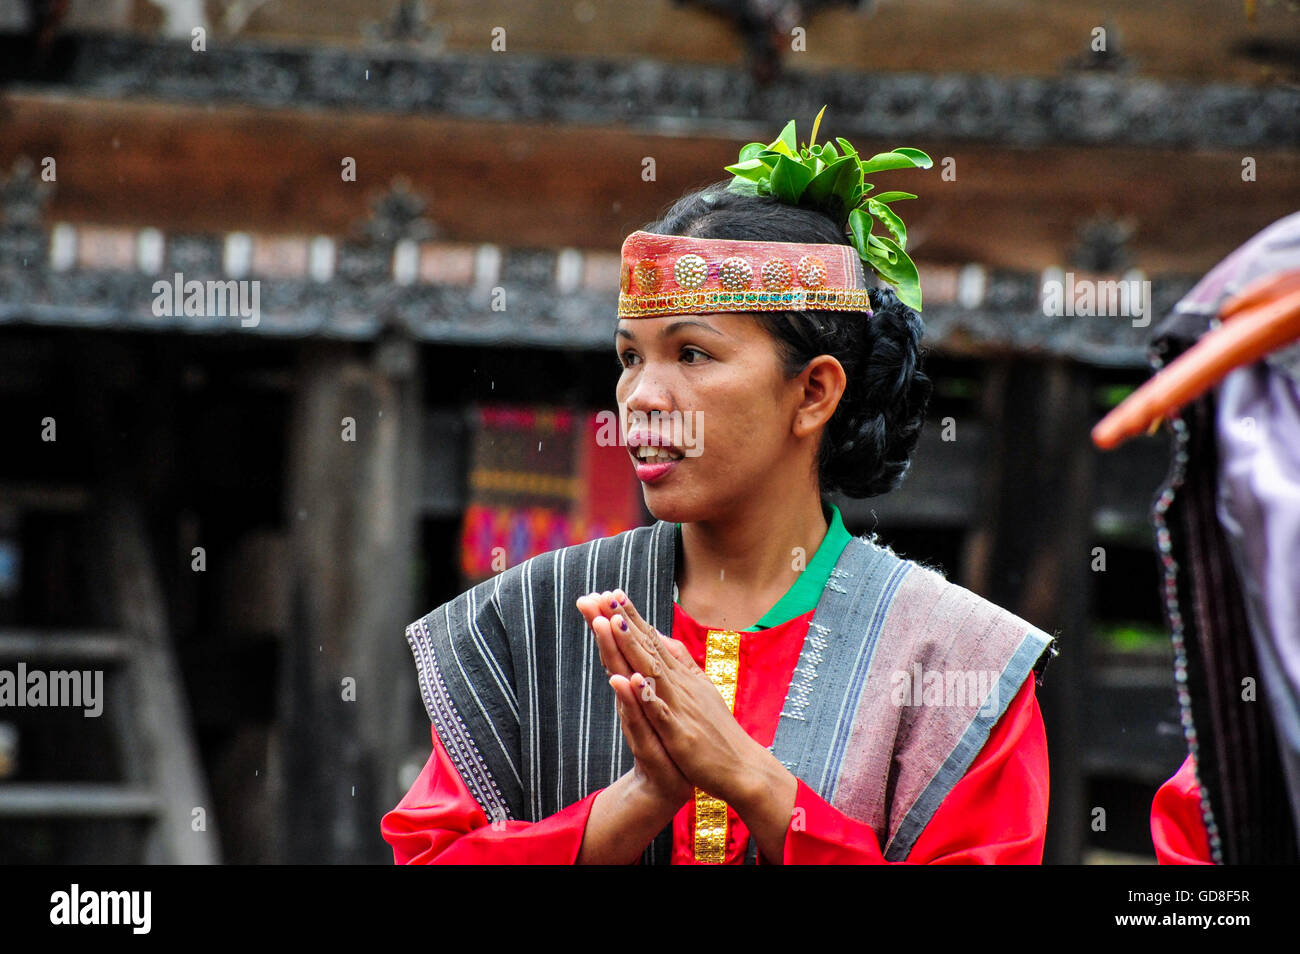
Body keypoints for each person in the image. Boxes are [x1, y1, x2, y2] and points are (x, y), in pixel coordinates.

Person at [382, 115, 1056, 864]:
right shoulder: (525, 623)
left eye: (692, 353)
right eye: (629, 357)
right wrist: (633, 805)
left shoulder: (955, 661)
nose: (640, 395)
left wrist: (756, 785)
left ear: (813, 394)